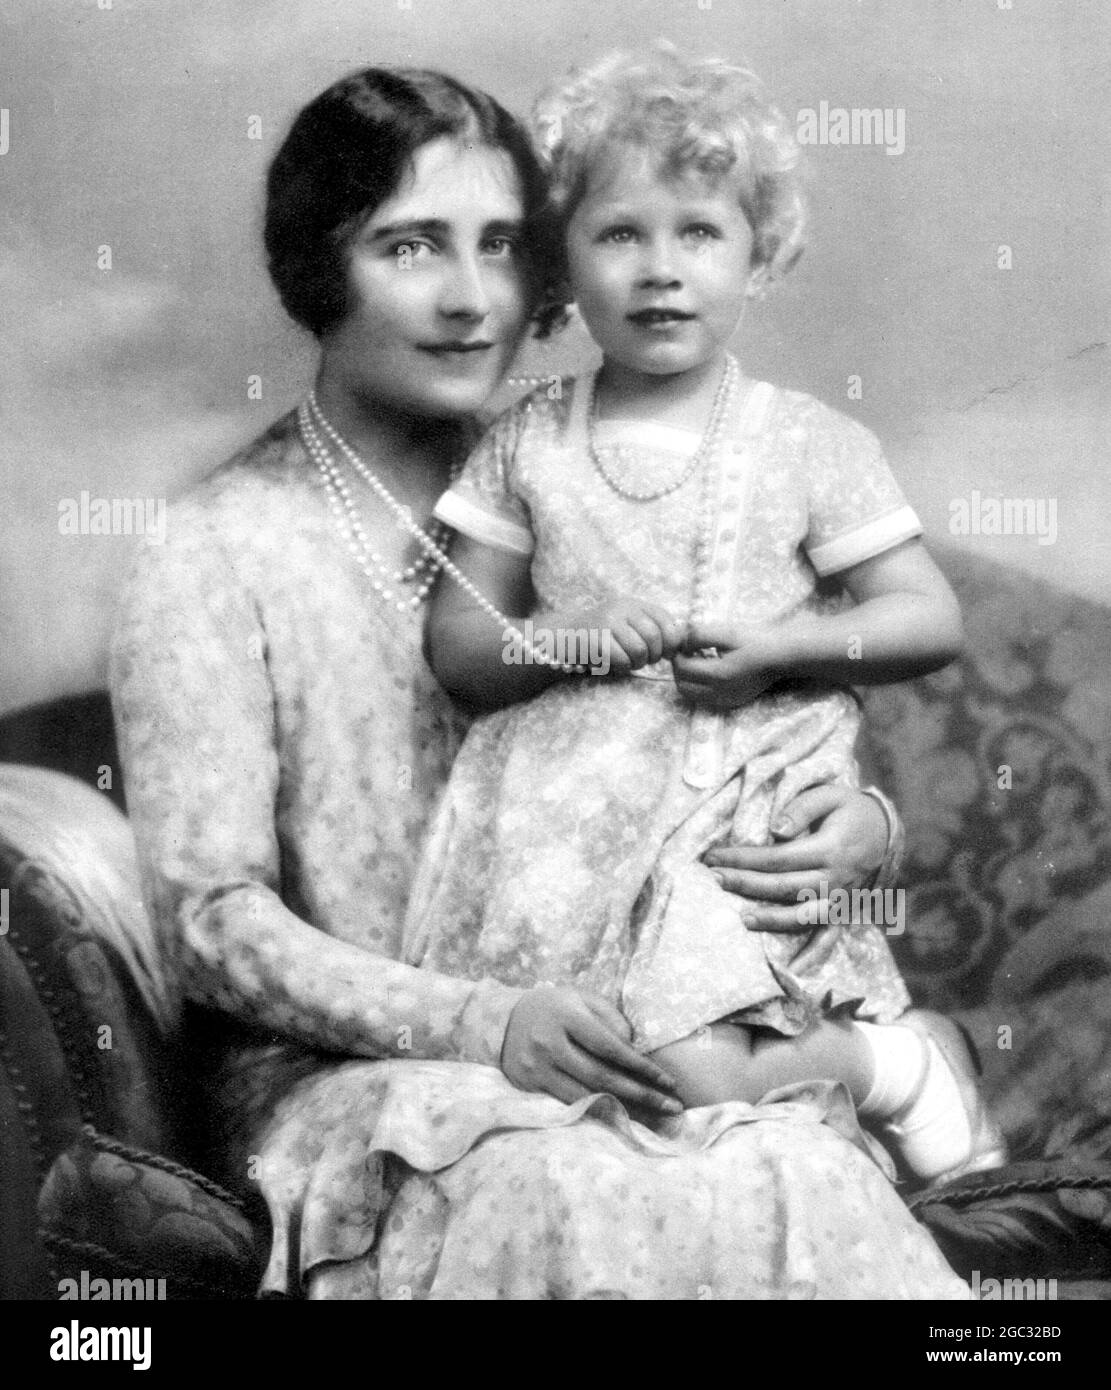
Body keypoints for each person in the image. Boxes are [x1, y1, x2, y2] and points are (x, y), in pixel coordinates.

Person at [109, 64, 970, 1298]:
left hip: (634, 1021)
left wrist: (858, 828)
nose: (471, 300)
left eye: (502, 246)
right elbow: (211, 925)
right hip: (367, 1076)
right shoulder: (214, 550)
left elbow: (727, 709)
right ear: (318, 266)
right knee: (559, 1184)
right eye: (411, 245)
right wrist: (477, 1022)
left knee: (783, 1170)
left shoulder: (566, 475)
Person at [403, 46, 1004, 1183]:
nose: (659, 270)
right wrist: (560, 640)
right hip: (554, 829)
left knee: (687, 1077)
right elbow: (460, 647)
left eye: (699, 233)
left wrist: (785, 645)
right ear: (561, 263)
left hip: (726, 808)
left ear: (757, 256)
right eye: (619, 234)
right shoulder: (524, 437)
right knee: (563, 1083)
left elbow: (924, 617)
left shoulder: (806, 440)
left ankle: (895, 1065)